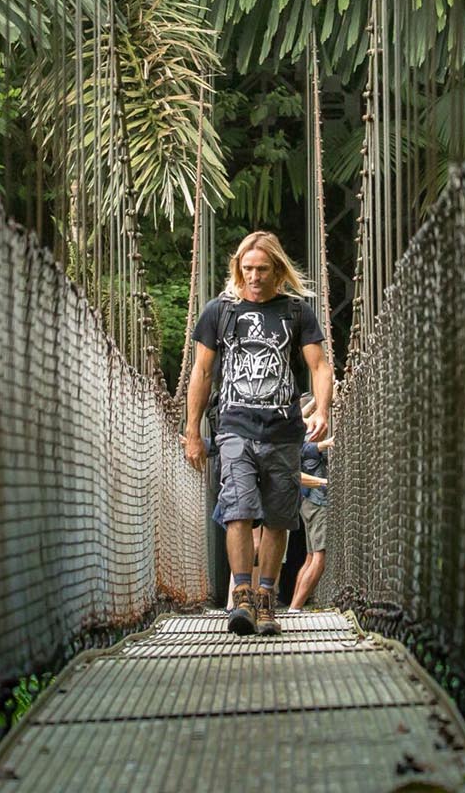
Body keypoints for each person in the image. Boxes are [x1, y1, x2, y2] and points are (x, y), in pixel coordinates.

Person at [181, 230, 331, 636]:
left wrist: (324, 410)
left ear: (277, 270)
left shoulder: (297, 312)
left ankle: (267, 597)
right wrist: (193, 430)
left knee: (279, 518)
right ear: (238, 269)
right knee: (239, 510)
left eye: (262, 269)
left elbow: (319, 365)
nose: (254, 277)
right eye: (247, 269)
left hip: (284, 431)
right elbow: (202, 371)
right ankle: (243, 596)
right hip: (234, 428)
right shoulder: (219, 311)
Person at [292, 395, 330, 611]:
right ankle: (296, 607)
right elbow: (312, 448)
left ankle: (294, 607)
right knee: (319, 559)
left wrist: (322, 399)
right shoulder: (305, 438)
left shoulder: (297, 435)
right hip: (317, 502)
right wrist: (320, 403)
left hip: (308, 502)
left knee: (309, 558)